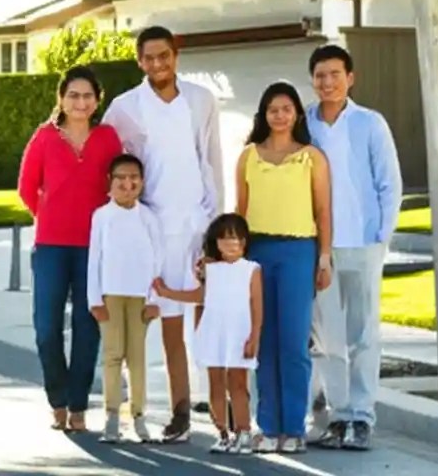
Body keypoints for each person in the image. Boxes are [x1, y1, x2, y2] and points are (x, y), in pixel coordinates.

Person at [102, 25, 223, 443]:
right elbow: (108, 158)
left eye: (164, 56)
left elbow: (211, 159)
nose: (157, 64)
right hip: (154, 231)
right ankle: (164, 408)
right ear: (140, 61)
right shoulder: (124, 107)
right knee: (161, 322)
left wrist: (216, 224)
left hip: (198, 226)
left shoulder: (202, 100)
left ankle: (209, 410)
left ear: (176, 53)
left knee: (206, 320)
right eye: (149, 58)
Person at [305, 45, 403, 451]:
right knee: (326, 338)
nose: (327, 83)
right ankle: (336, 415)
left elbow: (389, 181)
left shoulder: (370, 123)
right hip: (319, 247)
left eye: (335, 74)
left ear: (351, 77)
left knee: (363, 334)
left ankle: (361, 417)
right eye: (320, 76)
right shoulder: (303, 124)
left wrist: (382, 235)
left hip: (362, 244)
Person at [18, 65, 124, 433]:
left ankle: (78, 405)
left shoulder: (109, 138)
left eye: (87, 96)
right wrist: (49, 216)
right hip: (50, 247)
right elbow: (26, 188)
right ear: (61, 98)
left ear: (97, 101)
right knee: (46, 329)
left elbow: (120, 185)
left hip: (95, 249)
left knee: (87, 327)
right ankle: (57, 400)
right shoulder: (45, 137)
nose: (80, 102)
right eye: (73, 95)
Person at [236, 81, 332, 454]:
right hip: (257, 250)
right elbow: (239, 212)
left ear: (296, 114)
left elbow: (323, 211)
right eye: (273, 109)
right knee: (264, 341)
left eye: (286, 109)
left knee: (293, 342)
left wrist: (323, 258)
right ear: (264, 115)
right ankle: (269, 426)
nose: (280, 115)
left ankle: (293, 426)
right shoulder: (248, 156)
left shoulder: (312, 157)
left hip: (298, 252)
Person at [155, 213, 262, 455]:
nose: (230, 243)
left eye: (235, 238)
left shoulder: (252, 270)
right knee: (215, 383)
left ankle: (243, 432)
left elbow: (257, 305)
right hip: (214, 332)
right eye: (223, 238)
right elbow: (199, 296)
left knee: (237, 383)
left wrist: (255, 335)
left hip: (240, 333)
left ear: (245, 241)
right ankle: (222, 432)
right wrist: (167, 292)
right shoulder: (211, 270)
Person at [87, 154, 162, 443]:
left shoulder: (148, 218)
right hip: (110, 294)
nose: (127, 184)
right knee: (112, 355)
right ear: (111, 181)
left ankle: (140, 416)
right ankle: (111, 415)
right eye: (121, 178)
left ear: (141, 183)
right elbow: (95, 259)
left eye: (133, 178)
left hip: (140, 295)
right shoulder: (102, 216)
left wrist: (155, 297)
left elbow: (158, 258)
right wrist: (95, 299)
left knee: (137, 356)